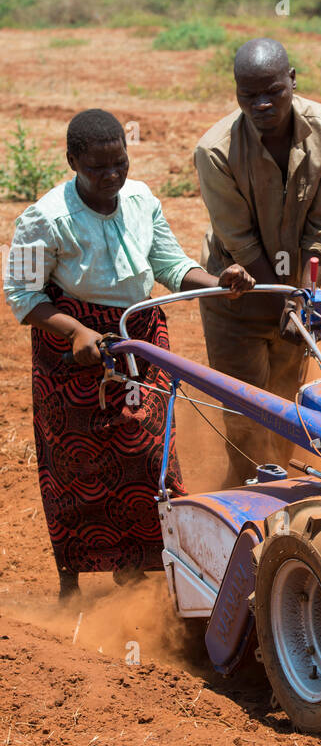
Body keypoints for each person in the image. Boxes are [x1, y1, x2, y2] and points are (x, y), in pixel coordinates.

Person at [2, 109, 253, 600]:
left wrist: (217, 283)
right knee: (76, 463)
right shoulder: (41, 219)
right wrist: (76, 332)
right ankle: (71, 577)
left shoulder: (141, 200)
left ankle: (144, 567)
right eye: (98, 168)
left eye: (120, 162)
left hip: (140, 336)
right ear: (72, 160)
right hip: (71, 350)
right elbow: (22, 296)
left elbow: (170, 265)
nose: (113, 176)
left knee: (148, 450)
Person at [195, 38, 321, 485]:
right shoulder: (216, 151)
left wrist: (301, 299)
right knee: (246, 417)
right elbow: (240, 243)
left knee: (288, 414)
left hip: (296, 295)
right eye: (249, 96)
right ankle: (241, 520)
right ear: (236, 93)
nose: (262, 104)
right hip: (236, 297)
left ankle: (290, 510)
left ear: (293, 80)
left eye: (273, 91)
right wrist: (286, 302)